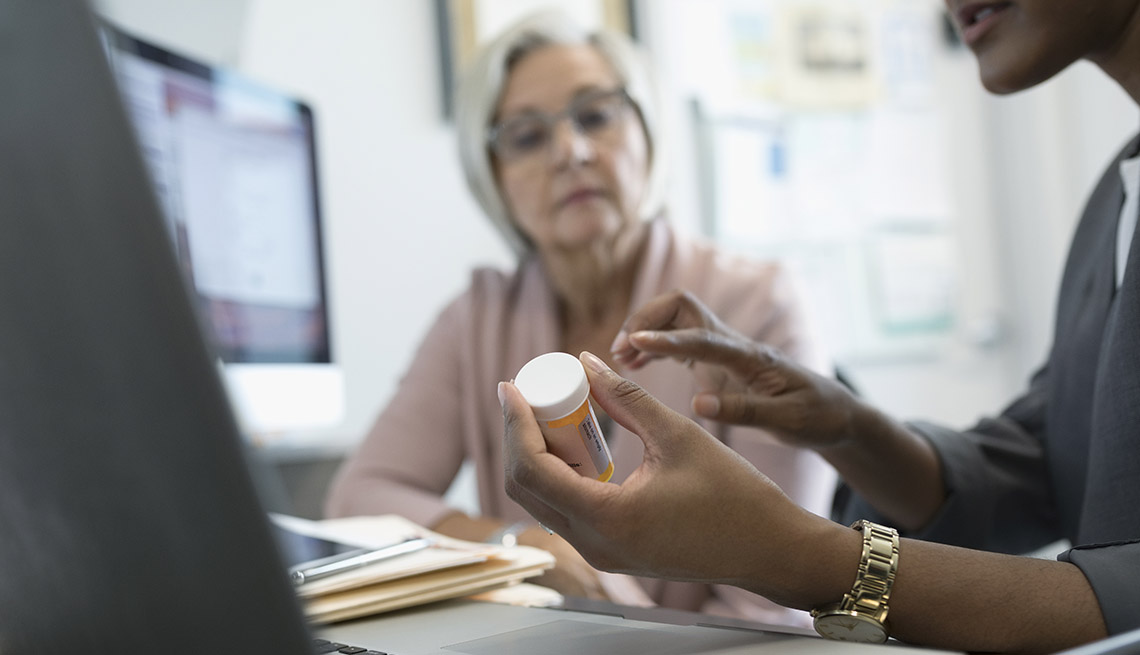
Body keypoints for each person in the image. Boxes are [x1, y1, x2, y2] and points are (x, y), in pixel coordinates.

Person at [500, 0, 1140, 652]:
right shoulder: (1113, 203)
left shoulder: (749, 285)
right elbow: (1039, 469)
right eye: (526, 136)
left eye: (596, 114)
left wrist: (788, 551)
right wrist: (843, 424)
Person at [324, 10, 837, 623]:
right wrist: (521, 547)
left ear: (647, 132)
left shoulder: (758, 304)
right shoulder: (475, 319)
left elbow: (776, 605)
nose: (570, 152)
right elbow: (358, 499)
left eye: (595, 115)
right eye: (527, 137)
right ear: (493, 178)